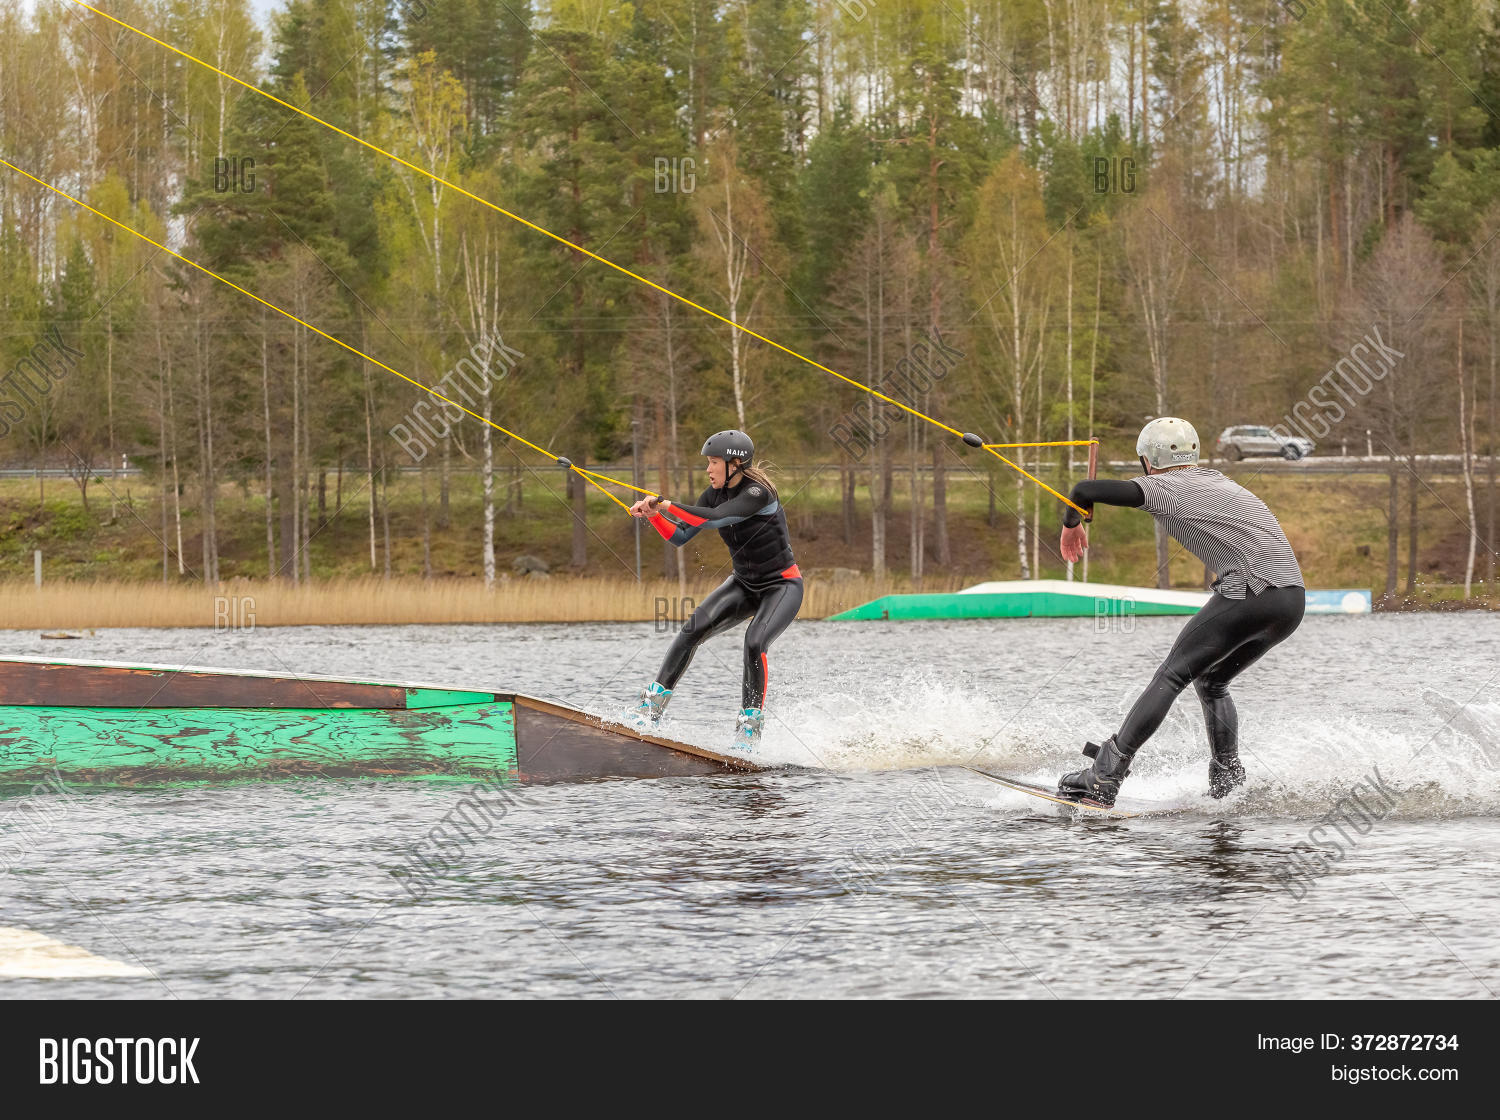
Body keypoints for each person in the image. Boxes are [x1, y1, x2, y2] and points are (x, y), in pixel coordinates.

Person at [1054, 417, 1305, 806]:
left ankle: (1105, 775)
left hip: (1252, 590)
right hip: (1291, 600)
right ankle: (1227, 781)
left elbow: (1084, 489)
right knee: (1212, 681)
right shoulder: (1217, 481)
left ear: (1147, 461)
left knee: (1172, 674)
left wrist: (1071, 524)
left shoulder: (1164, 486)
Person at [626, 430, 803, 751]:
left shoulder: (758, 493)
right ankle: (649, 709)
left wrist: (665, 502)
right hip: (744, 585)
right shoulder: (712, 494)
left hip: (781, 586)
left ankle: (749, 729)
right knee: (691, 630)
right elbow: (681, 535)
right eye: (707, 463)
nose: (708, 470)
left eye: (713, 463)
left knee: (755, 641)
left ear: (735, 463)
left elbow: (714, 520)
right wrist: (655, 516)